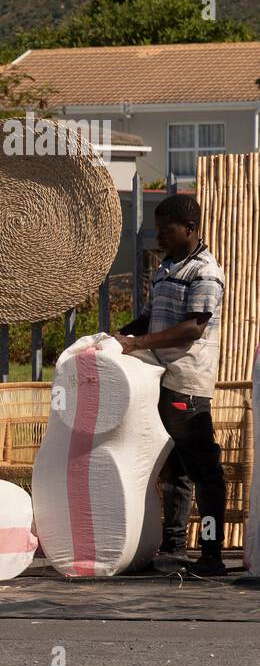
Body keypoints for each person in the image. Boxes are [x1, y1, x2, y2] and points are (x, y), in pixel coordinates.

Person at [116, 193, 227, 576]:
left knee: (204, 472)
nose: (159, 237)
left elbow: (194, 327)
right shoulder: (166, 268)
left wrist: (140, 344)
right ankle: (174, 545)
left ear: (190, 229)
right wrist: (117, 338)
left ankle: (211, 551)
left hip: (187, 385)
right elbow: (148, 319)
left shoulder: (204, 272)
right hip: (159, 381)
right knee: (173, 470)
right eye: (157, 230)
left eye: (167, 230)